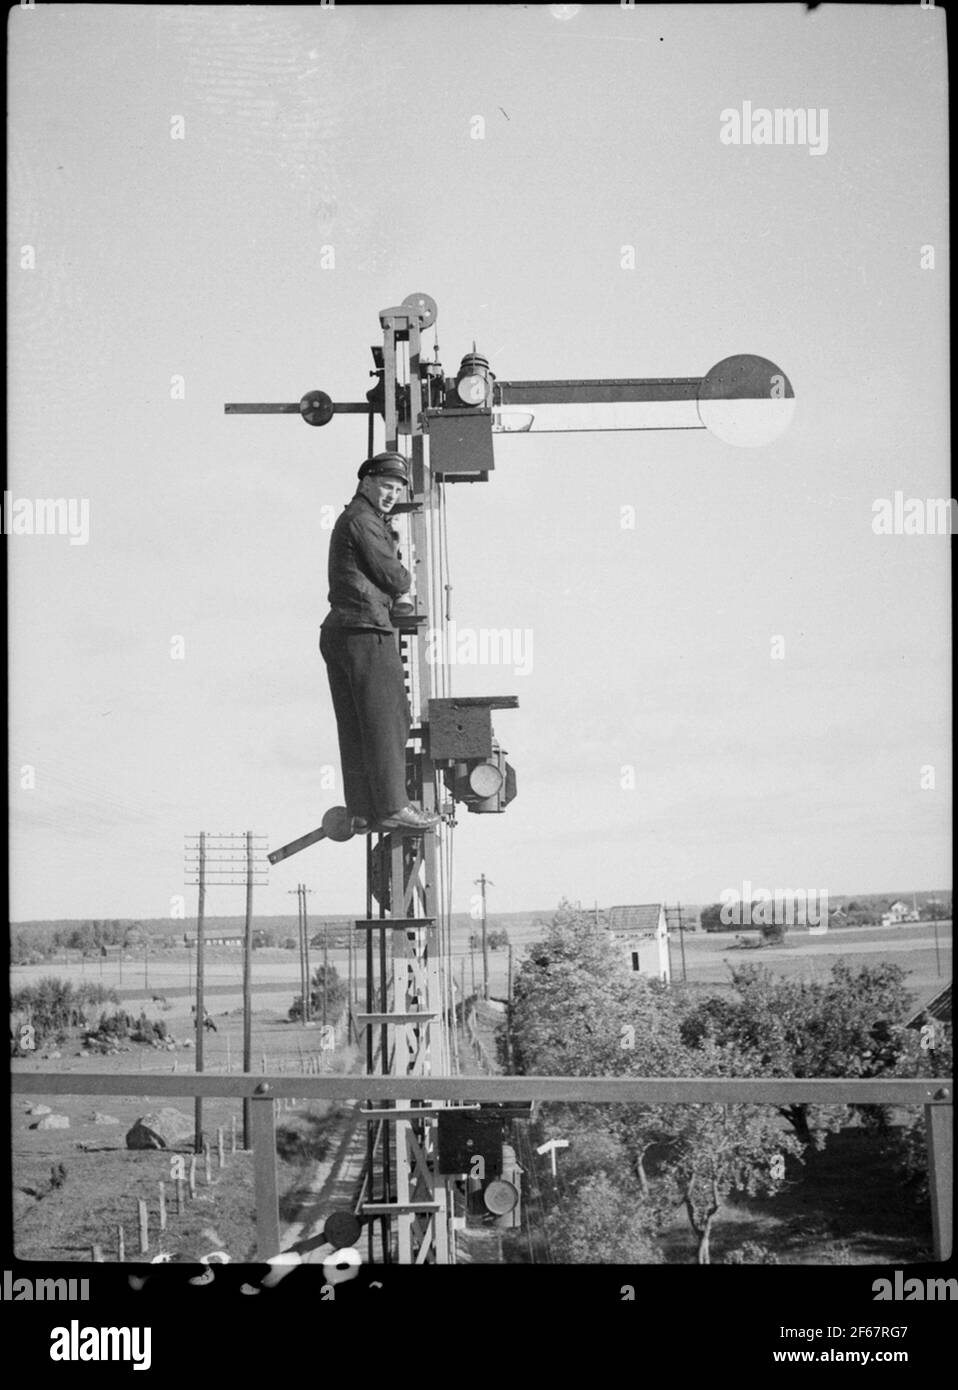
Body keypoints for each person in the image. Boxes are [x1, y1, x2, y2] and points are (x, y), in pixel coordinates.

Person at [320, 451, 440, 834]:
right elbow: (394, 577)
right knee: (389, 720)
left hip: (342, 630)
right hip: (366, 629)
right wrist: (406, 578)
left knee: (356, 725)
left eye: (396, 489)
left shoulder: (354, 518)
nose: (390, 494)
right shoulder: (364, 521)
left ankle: (362, 810)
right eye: (386, 486)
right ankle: (392, 807)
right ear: (366, 484)